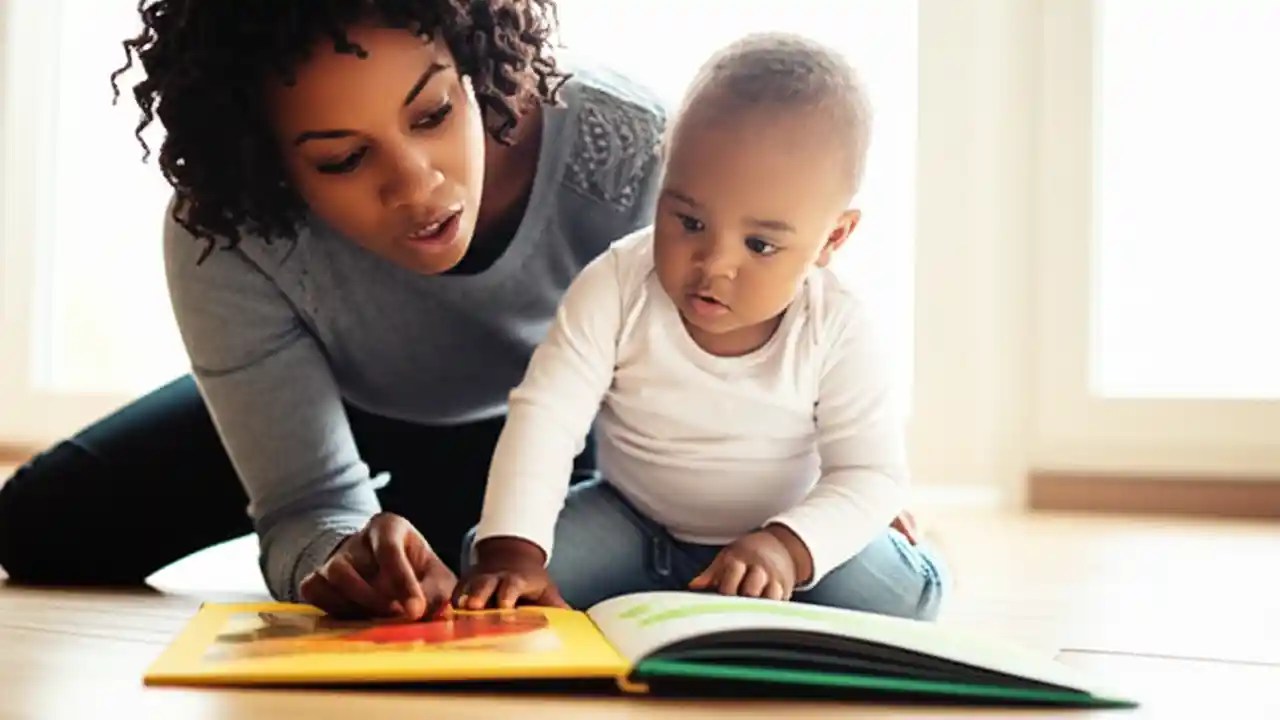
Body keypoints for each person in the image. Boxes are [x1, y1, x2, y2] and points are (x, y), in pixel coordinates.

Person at [0, 2, 918, 622]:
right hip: (334, 400)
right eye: (340, 159)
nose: (418, 185)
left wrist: (825, 501)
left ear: (473, 63)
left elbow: (756, 311)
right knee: (38, 527)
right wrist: (333, 553)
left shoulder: (626, 148)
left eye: (433, 112)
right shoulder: (225, 231)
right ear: (265, 163)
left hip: (565, 434)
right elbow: (305, 502)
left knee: (481, 576)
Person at [456, 33, 946, 620]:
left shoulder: (837, 325)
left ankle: (879, 550)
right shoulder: (616, 285)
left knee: (902, 600)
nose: (713, 264)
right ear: (666, 175)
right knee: (490, 561)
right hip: (636, 522)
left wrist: (789, 548)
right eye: (688, 220)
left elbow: (868, 470)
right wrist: (515, 550)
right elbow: (547, 416)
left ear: (832, 237)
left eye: (760, 244)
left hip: (783, 529)